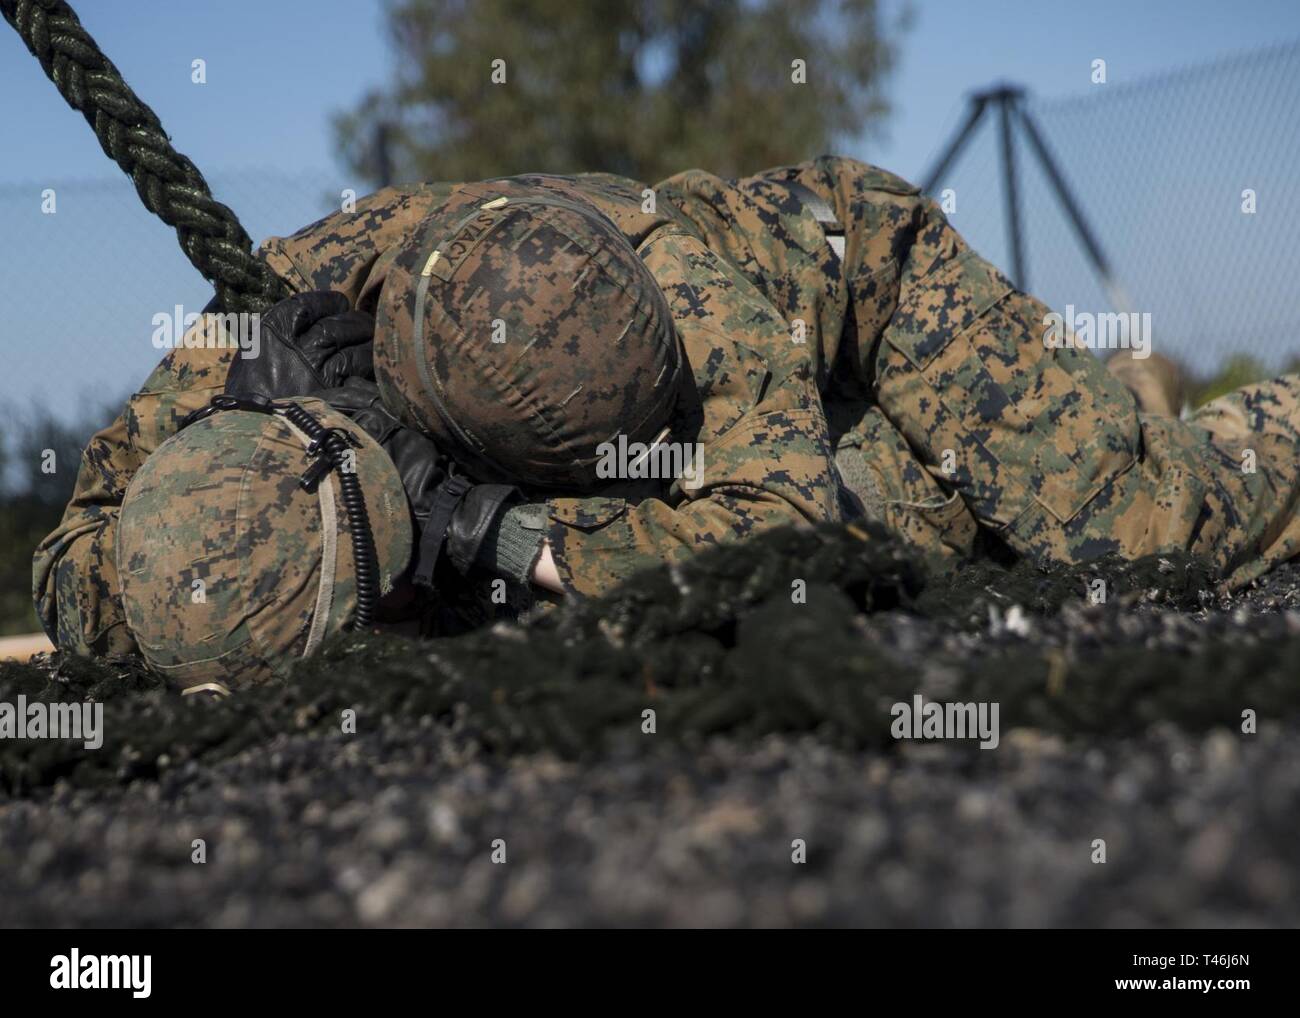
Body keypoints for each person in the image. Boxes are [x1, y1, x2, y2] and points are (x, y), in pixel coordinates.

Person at [35, 157, 1300, 683]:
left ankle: (1232, 426)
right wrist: (198, 589)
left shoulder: (674, 303)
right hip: (589, 441)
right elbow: (81, 562)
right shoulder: (266, 328)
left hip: (857, 288)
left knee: (1134, 534)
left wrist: (502, 537)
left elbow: (780, 522)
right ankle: (1122, 404)